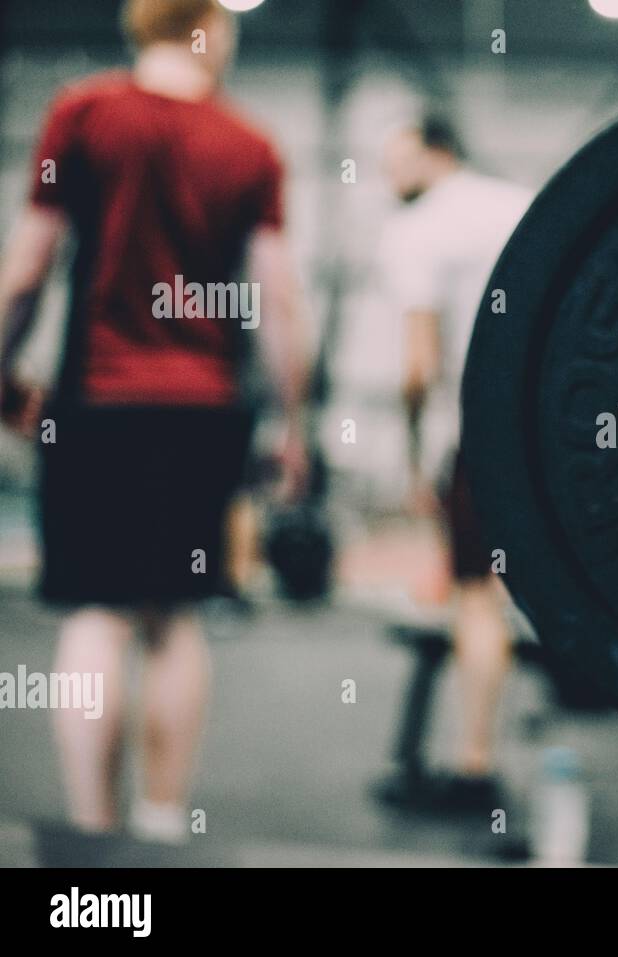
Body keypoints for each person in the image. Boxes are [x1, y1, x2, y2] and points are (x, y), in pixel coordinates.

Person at [0, 0, 307, 842]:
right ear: (213, 28)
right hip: (205, 409)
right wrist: (295, 425)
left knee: (97, 613)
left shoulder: (84, 113)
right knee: (174, 617)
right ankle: (165, 826)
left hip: (97, 402)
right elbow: (279, 298)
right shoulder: (251, 144)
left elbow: (28, 266)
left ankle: (94, 838)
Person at [379, 115, 532, 810]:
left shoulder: (419, 228)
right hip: (544, 425)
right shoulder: (518, 203)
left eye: (397, 159)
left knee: (475, 597)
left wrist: (413, 456)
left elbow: (418, 366)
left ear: (437, 153)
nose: (388, 174)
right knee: (498, 590)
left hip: (480, 430)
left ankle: (475, 765)